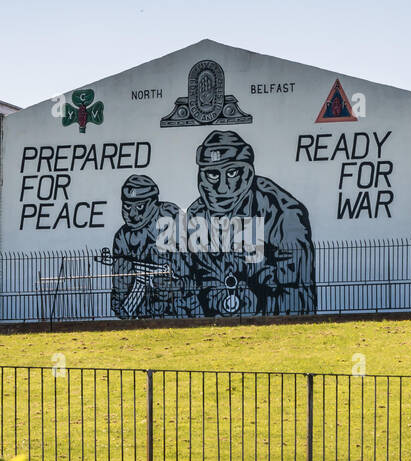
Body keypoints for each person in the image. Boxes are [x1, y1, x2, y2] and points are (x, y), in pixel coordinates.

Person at [185, 130, 316, 316]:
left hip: (271, 329)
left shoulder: (283, 214)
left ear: (247, 173)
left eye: (231, 173)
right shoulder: (196, 215)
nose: (222, 188)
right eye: (212, 175)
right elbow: (196, 282)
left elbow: (296, 297)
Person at [107, 174, 194, 319]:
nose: (132, 214)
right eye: (127, 207)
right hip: (143, 316)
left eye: (140, 207)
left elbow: (195, 272)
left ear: (154, 203)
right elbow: (120, 309)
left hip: (178, 312)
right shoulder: (123, 237)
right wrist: (121, 287)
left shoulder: (172, 220)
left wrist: (176, 286)